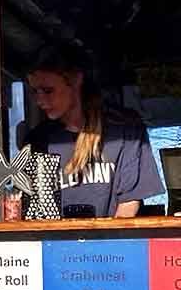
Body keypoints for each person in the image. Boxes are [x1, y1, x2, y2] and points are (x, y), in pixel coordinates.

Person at [24, 46, 163, 218]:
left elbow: (128, 204)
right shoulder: (38, 140)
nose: (40, 100)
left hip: (112, 242)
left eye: (48, 90)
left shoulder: (125, 129)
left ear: (76, 81)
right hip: (58, 243)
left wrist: (106, 243)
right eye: (34, 91)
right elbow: (41, 212)